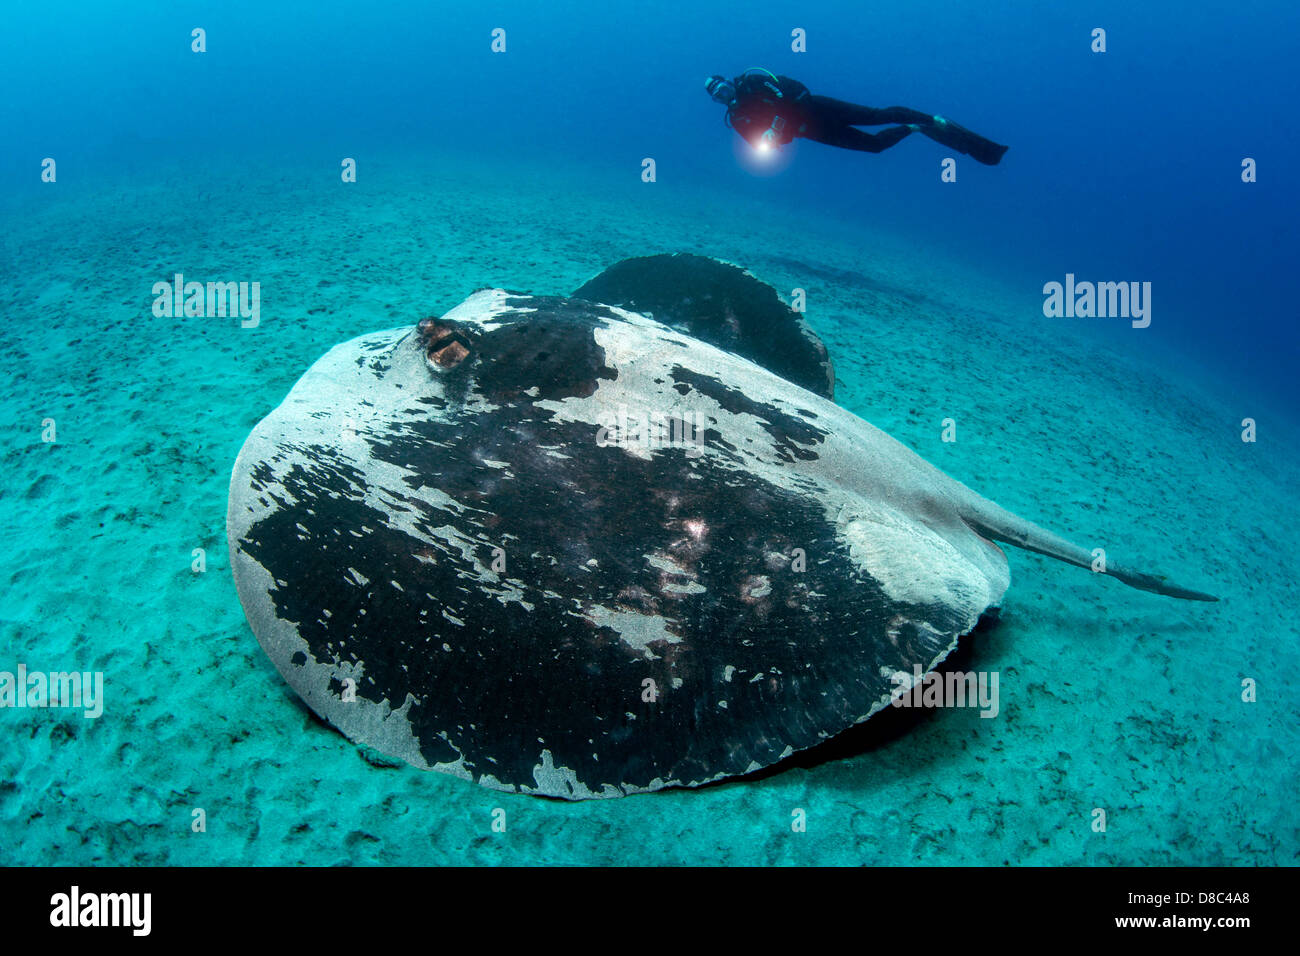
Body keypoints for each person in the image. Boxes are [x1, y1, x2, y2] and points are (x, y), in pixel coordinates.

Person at [705, 68, 1008, 166]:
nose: (723, 94)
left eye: (722, 87)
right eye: (717, 95)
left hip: (820, 109)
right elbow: (770, 144)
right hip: (813, 131)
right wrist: (772, 139)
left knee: (878, 115)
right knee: (875, 146)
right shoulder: (737, 119)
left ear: (729, 81)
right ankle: (915, 127)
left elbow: (795, 91)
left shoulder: (754, 81)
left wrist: (777, 122)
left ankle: (934, 120)